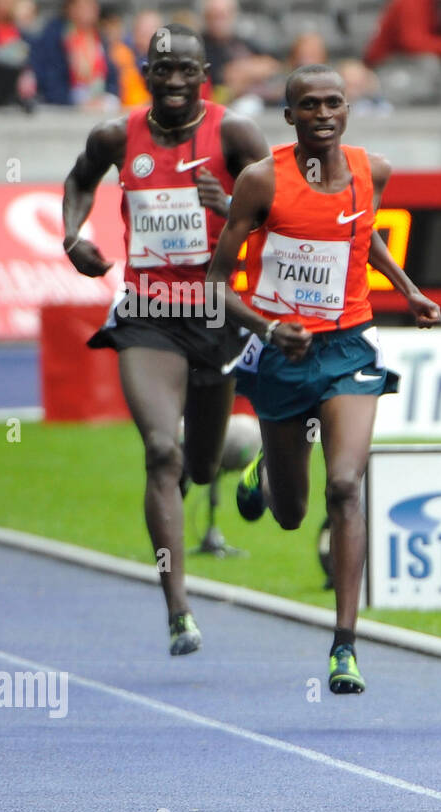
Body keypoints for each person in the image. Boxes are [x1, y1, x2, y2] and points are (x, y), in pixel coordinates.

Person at [208, 64, 441, 694]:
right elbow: (211, 282)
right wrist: (263, 327)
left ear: (347, 109)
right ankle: (264, 467)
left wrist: (410, 290)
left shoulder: (374, 171)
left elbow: (364, 238)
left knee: (345, 484)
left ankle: (345, 643)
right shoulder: (261, 181)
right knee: (289, 513)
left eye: (333, 102)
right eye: (308, 104)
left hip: (348, 348)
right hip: (283, 352)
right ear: (289, 116)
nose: (322, 113)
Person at [62, 22, 269, 654]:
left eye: (187, 70)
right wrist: (73, 238)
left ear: (205, 73)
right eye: (163, 70)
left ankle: (194, 477)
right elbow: (78, 181)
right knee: (160, 451)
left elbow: (280, 211)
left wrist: (229, 198)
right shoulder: (116, 134)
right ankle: (178, 609)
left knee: (200, 465)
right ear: (147, 73)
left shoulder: (233, 132)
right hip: (148, 312)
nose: (174, 81)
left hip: (214, 311)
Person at [32, 0, 120, 108]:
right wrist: (71, 101)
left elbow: (111, 76)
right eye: (84, 6)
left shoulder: (100, 37)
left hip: (98, 97)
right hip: (68, 100)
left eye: (93, 5)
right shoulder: (56, 36)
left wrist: (105, 96)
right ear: (70, 8)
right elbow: (51, 77)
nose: (90, 10)